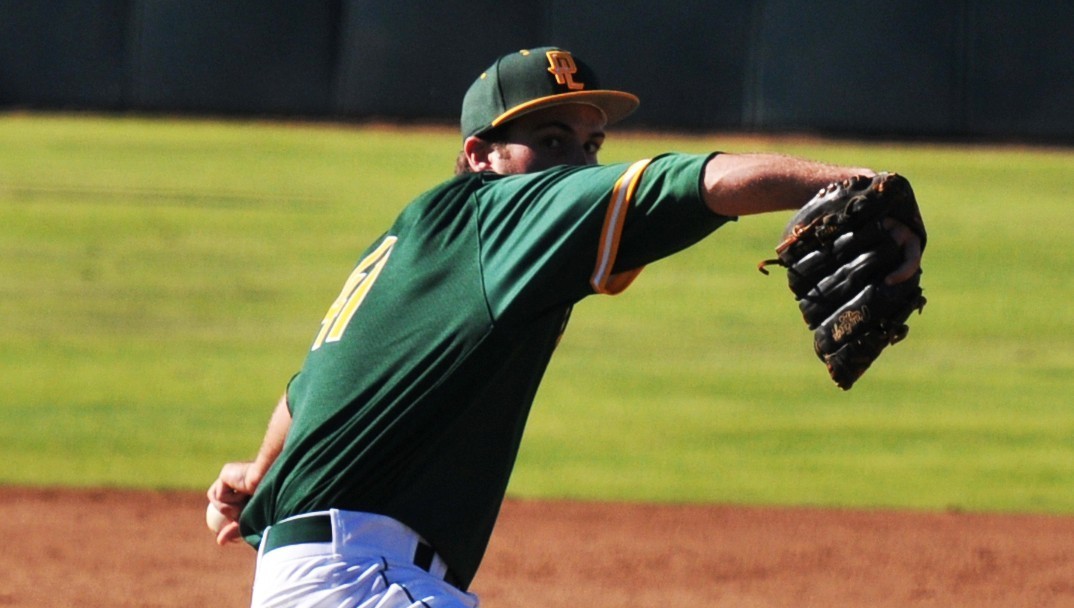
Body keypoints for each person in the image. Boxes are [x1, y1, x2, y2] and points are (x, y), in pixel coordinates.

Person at [207, 47, 923, 607]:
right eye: (551, 139)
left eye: (590, 144)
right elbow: (685, 182)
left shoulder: (422, 239)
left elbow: (311, 385)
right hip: (358, 581)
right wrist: (856, 184)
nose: (576, 163)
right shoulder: (499, 215)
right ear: (480, 154)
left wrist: (262, 470)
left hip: (337, 576)